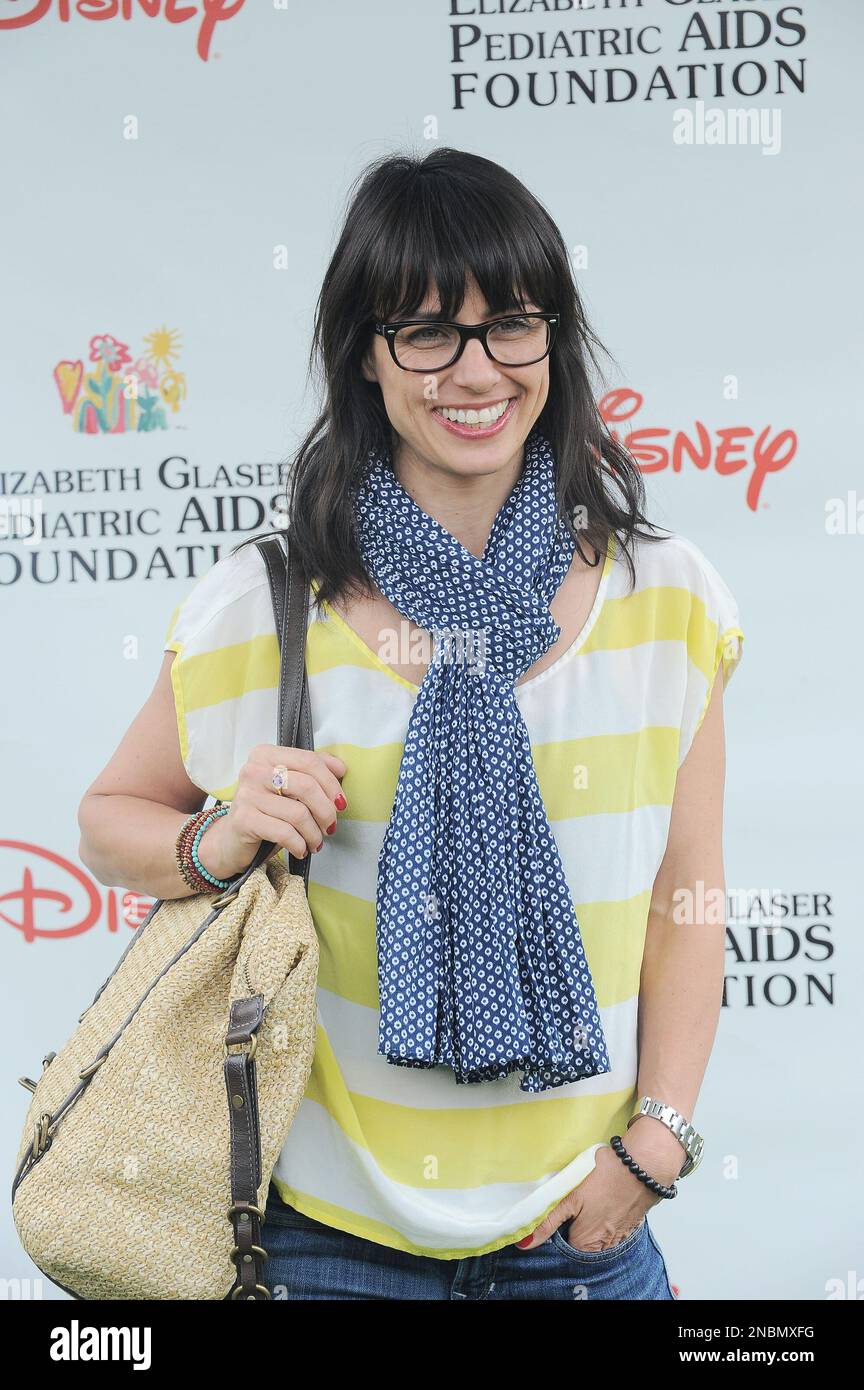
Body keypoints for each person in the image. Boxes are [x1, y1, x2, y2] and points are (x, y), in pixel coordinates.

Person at [78, 148, 744, 1302]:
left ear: (553, 340)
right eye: (427, 332)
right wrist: (219, 834)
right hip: (321, 1242)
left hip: (580, 1241)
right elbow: (108, 819)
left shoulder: (668, 600)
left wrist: (658, 1145)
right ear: (367, 354)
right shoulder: (263, 605)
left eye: (511, 324)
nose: (475, 370)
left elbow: (687, 898)